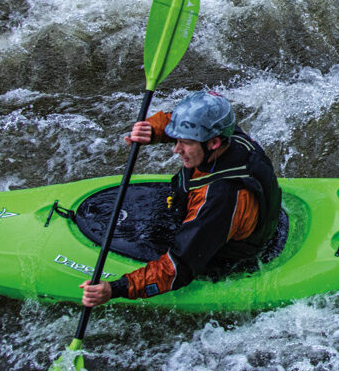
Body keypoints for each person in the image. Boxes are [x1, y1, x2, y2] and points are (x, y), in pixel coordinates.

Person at [80, 90, 281, 307]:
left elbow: (178, 268)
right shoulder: (230, 136)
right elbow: (182, 121)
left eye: (184, 143)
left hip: (223, 252)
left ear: (212, 143)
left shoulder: (219, 198)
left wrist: (115, 289)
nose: (176, 149)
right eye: (176, 140)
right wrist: (152, 130)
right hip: (242, 223)